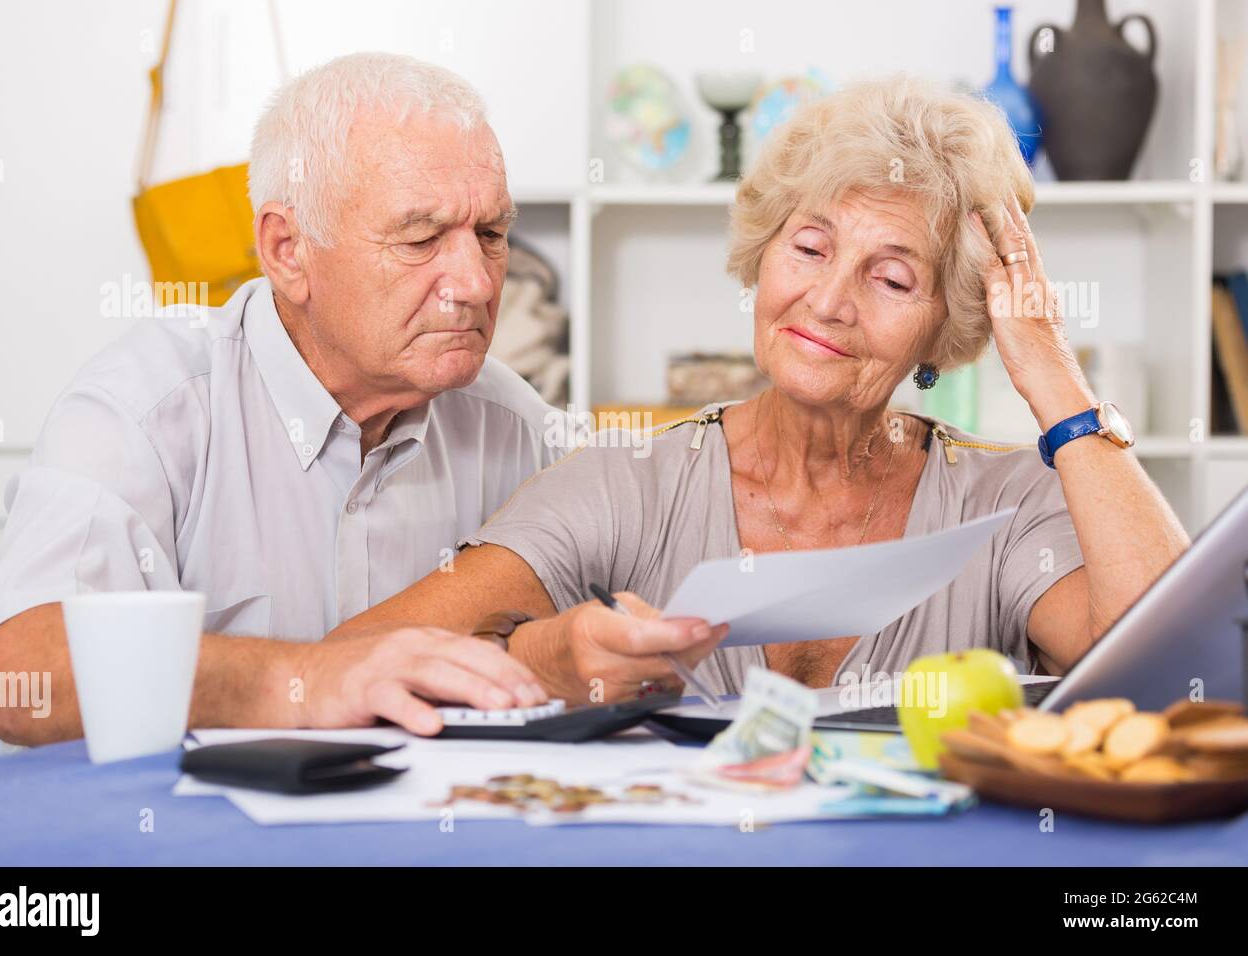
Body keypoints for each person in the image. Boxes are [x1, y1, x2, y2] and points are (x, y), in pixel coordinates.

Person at [336, 76, 1190, 701]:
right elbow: (361, 660)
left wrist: (1052, 375)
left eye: (891, 280)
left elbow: (1177, 669)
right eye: (810, 249)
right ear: (761, 255)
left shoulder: (1006, 508)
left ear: (945, 327)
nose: (828, 301)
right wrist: (540, 661)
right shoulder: (627, 483)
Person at [0, 52, 641, 742]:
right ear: (288, 250)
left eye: (492, 235)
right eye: (420, 240)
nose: (474, 283)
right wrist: (305, 678)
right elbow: (19, 676)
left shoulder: (515, 423)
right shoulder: (146, 405)